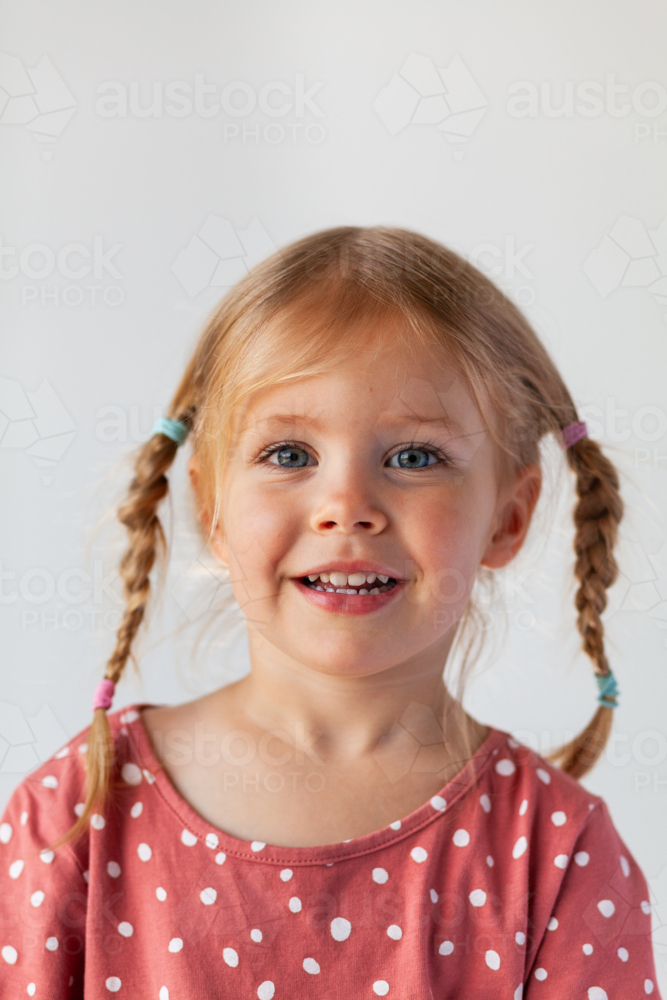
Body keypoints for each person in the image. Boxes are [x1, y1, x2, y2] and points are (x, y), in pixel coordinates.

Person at [0, 227, 660, 998]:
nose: (346, 507)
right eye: (288, 456)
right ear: (211, 507)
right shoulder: (80, 812)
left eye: (413, 457)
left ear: (506, 520)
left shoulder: (556, 852)